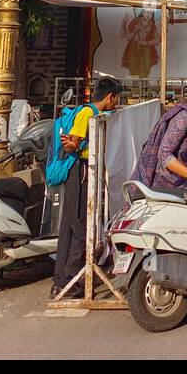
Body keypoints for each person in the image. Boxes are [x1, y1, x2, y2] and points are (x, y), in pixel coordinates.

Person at [52, 76, 122, 299]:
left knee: (73, 226)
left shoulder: (94, 113)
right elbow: (73, 143)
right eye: (117, 99)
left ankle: (63, 280)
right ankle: (68, 282)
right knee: (79, 227)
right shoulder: (86, 114)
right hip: (79, 173)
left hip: (82, 173)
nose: (117, 104)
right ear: (110, 97)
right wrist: (74, 145)